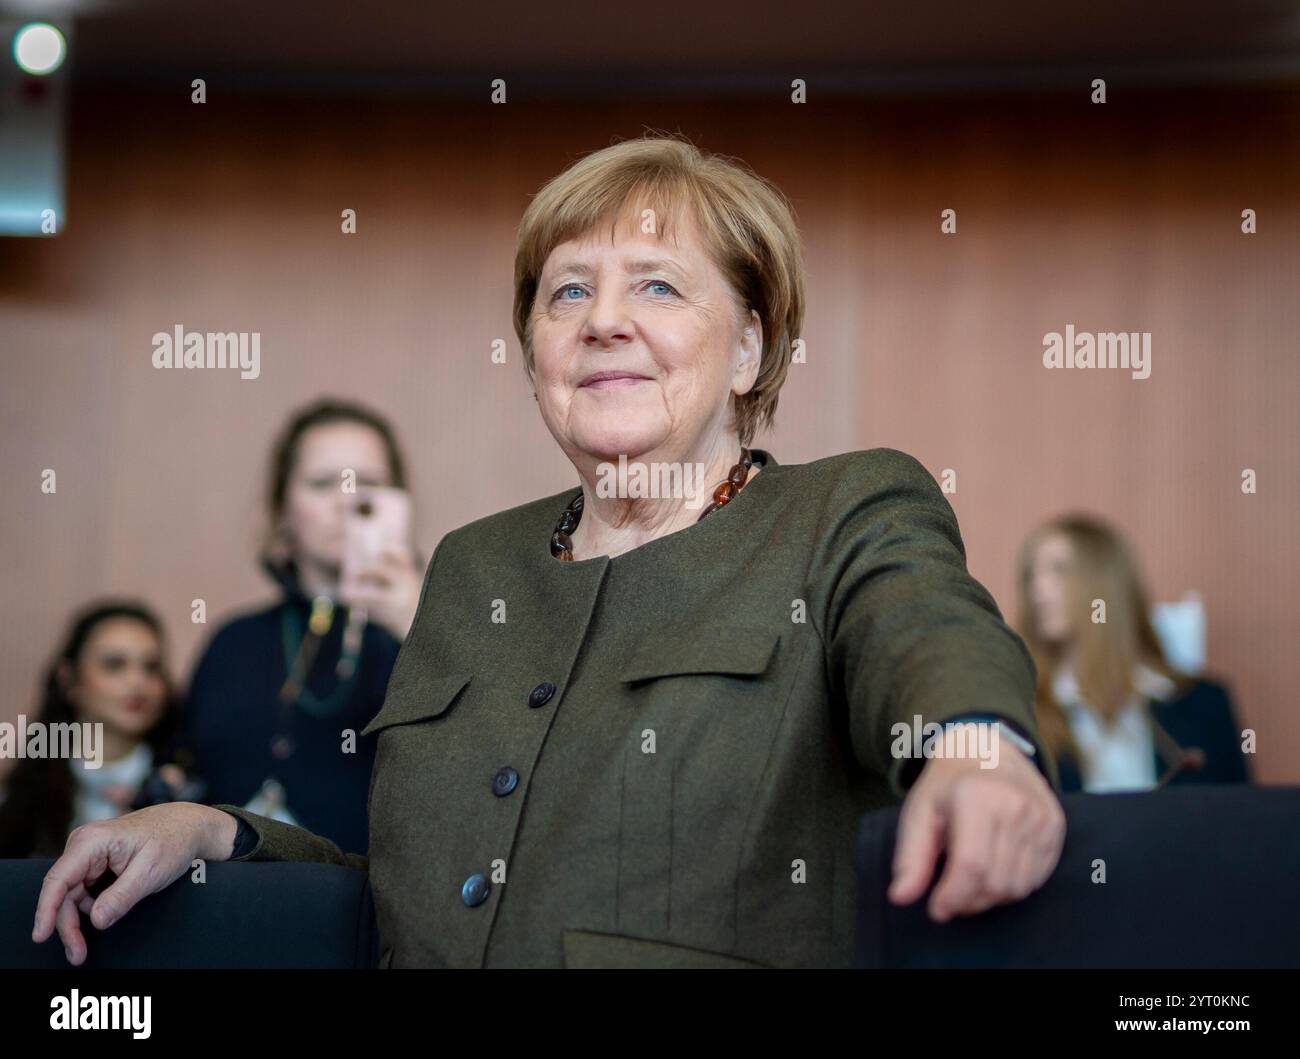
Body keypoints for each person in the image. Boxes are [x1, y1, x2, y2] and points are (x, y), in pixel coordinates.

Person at [36, 134, 1066, 969]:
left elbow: (926, 629)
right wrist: (214, 832)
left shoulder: (841, 508)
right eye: (567, 292)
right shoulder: (471, 566)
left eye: (658, 287)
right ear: (531, 344)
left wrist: (975, 748)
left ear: (749, 344)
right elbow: (426, 894)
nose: (603, 321)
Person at [180, 398, 424, 855]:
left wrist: (419, 622)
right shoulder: (233, 643)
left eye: (369, 482)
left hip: (371, 906)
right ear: (282, 509)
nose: (348, 499)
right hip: (227, 900)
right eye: (322, 482)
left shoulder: (441, 627)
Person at [1016, 514, 1249, 792]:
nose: (1037, 589)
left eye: (1060, 570)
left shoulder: (1203, 703)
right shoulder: (1023, 706)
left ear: (1106, 582)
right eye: (1031, 574)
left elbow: (1239, 820)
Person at [0, 602, 191, 857]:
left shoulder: (188, 788)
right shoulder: (19, 797)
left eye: (151, 667)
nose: (137, 681)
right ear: (68, 680)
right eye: (114, 664)